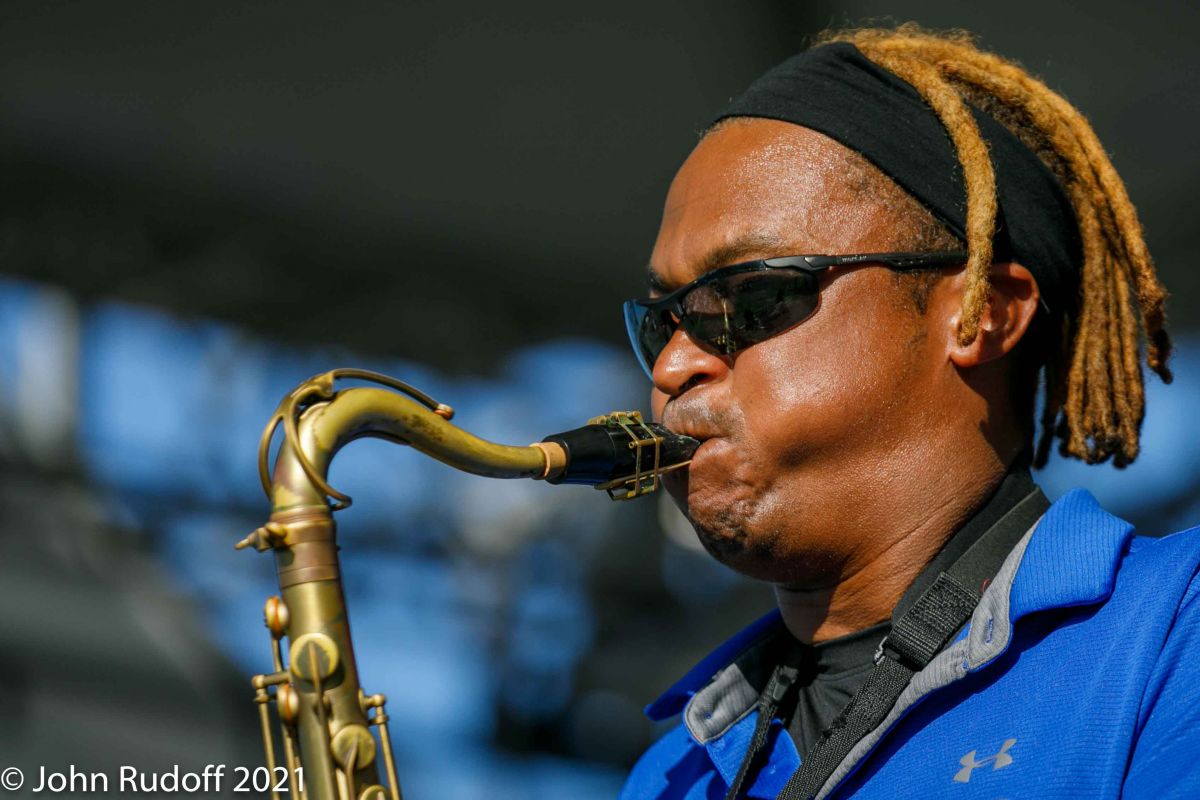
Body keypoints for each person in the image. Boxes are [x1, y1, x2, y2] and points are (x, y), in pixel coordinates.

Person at [618, 25, 1197, 800]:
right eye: (663, 319)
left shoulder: (1174, 635)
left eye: (749, 296)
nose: (672, 364)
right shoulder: (666, 772)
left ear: (978, 316)